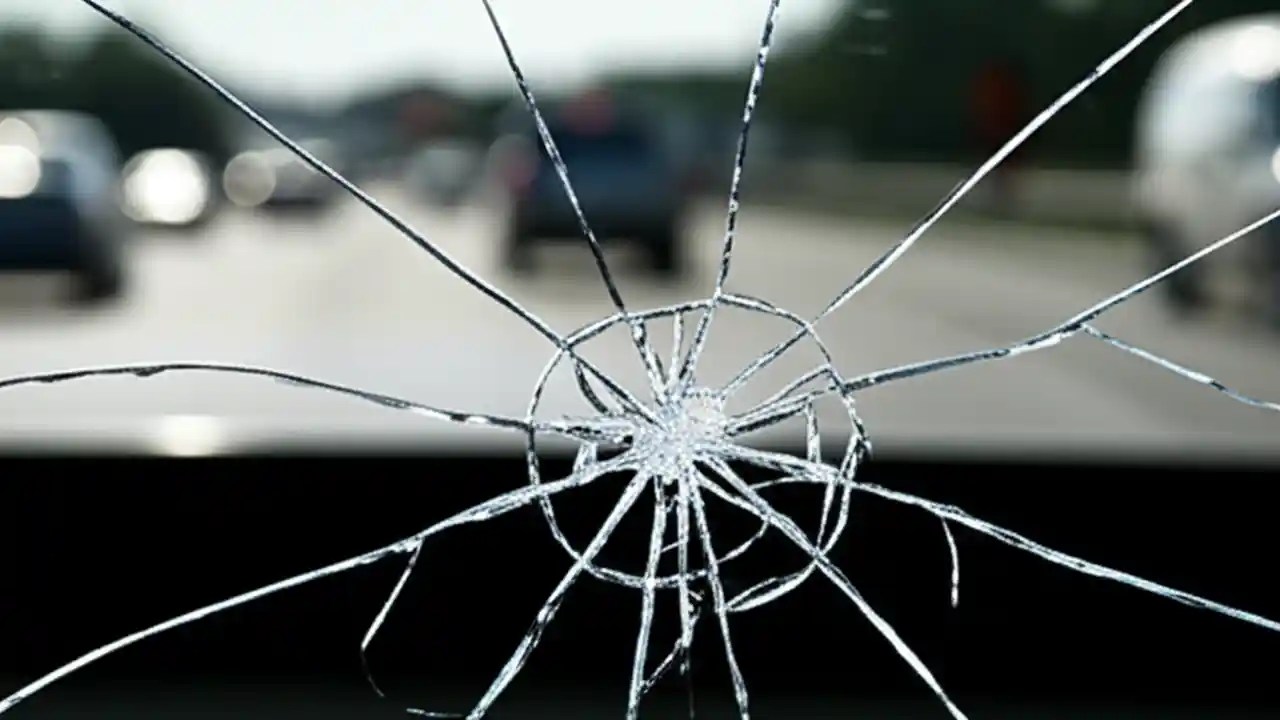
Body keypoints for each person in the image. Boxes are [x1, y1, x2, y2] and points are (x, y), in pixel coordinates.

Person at [971, 57, 1029, 215]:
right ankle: (999, 195)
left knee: (1003, 163)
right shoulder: (995, 84)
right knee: (999, 162)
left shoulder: (999, 85)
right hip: (997, 127)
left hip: (1001, 127)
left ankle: (1002, 196)